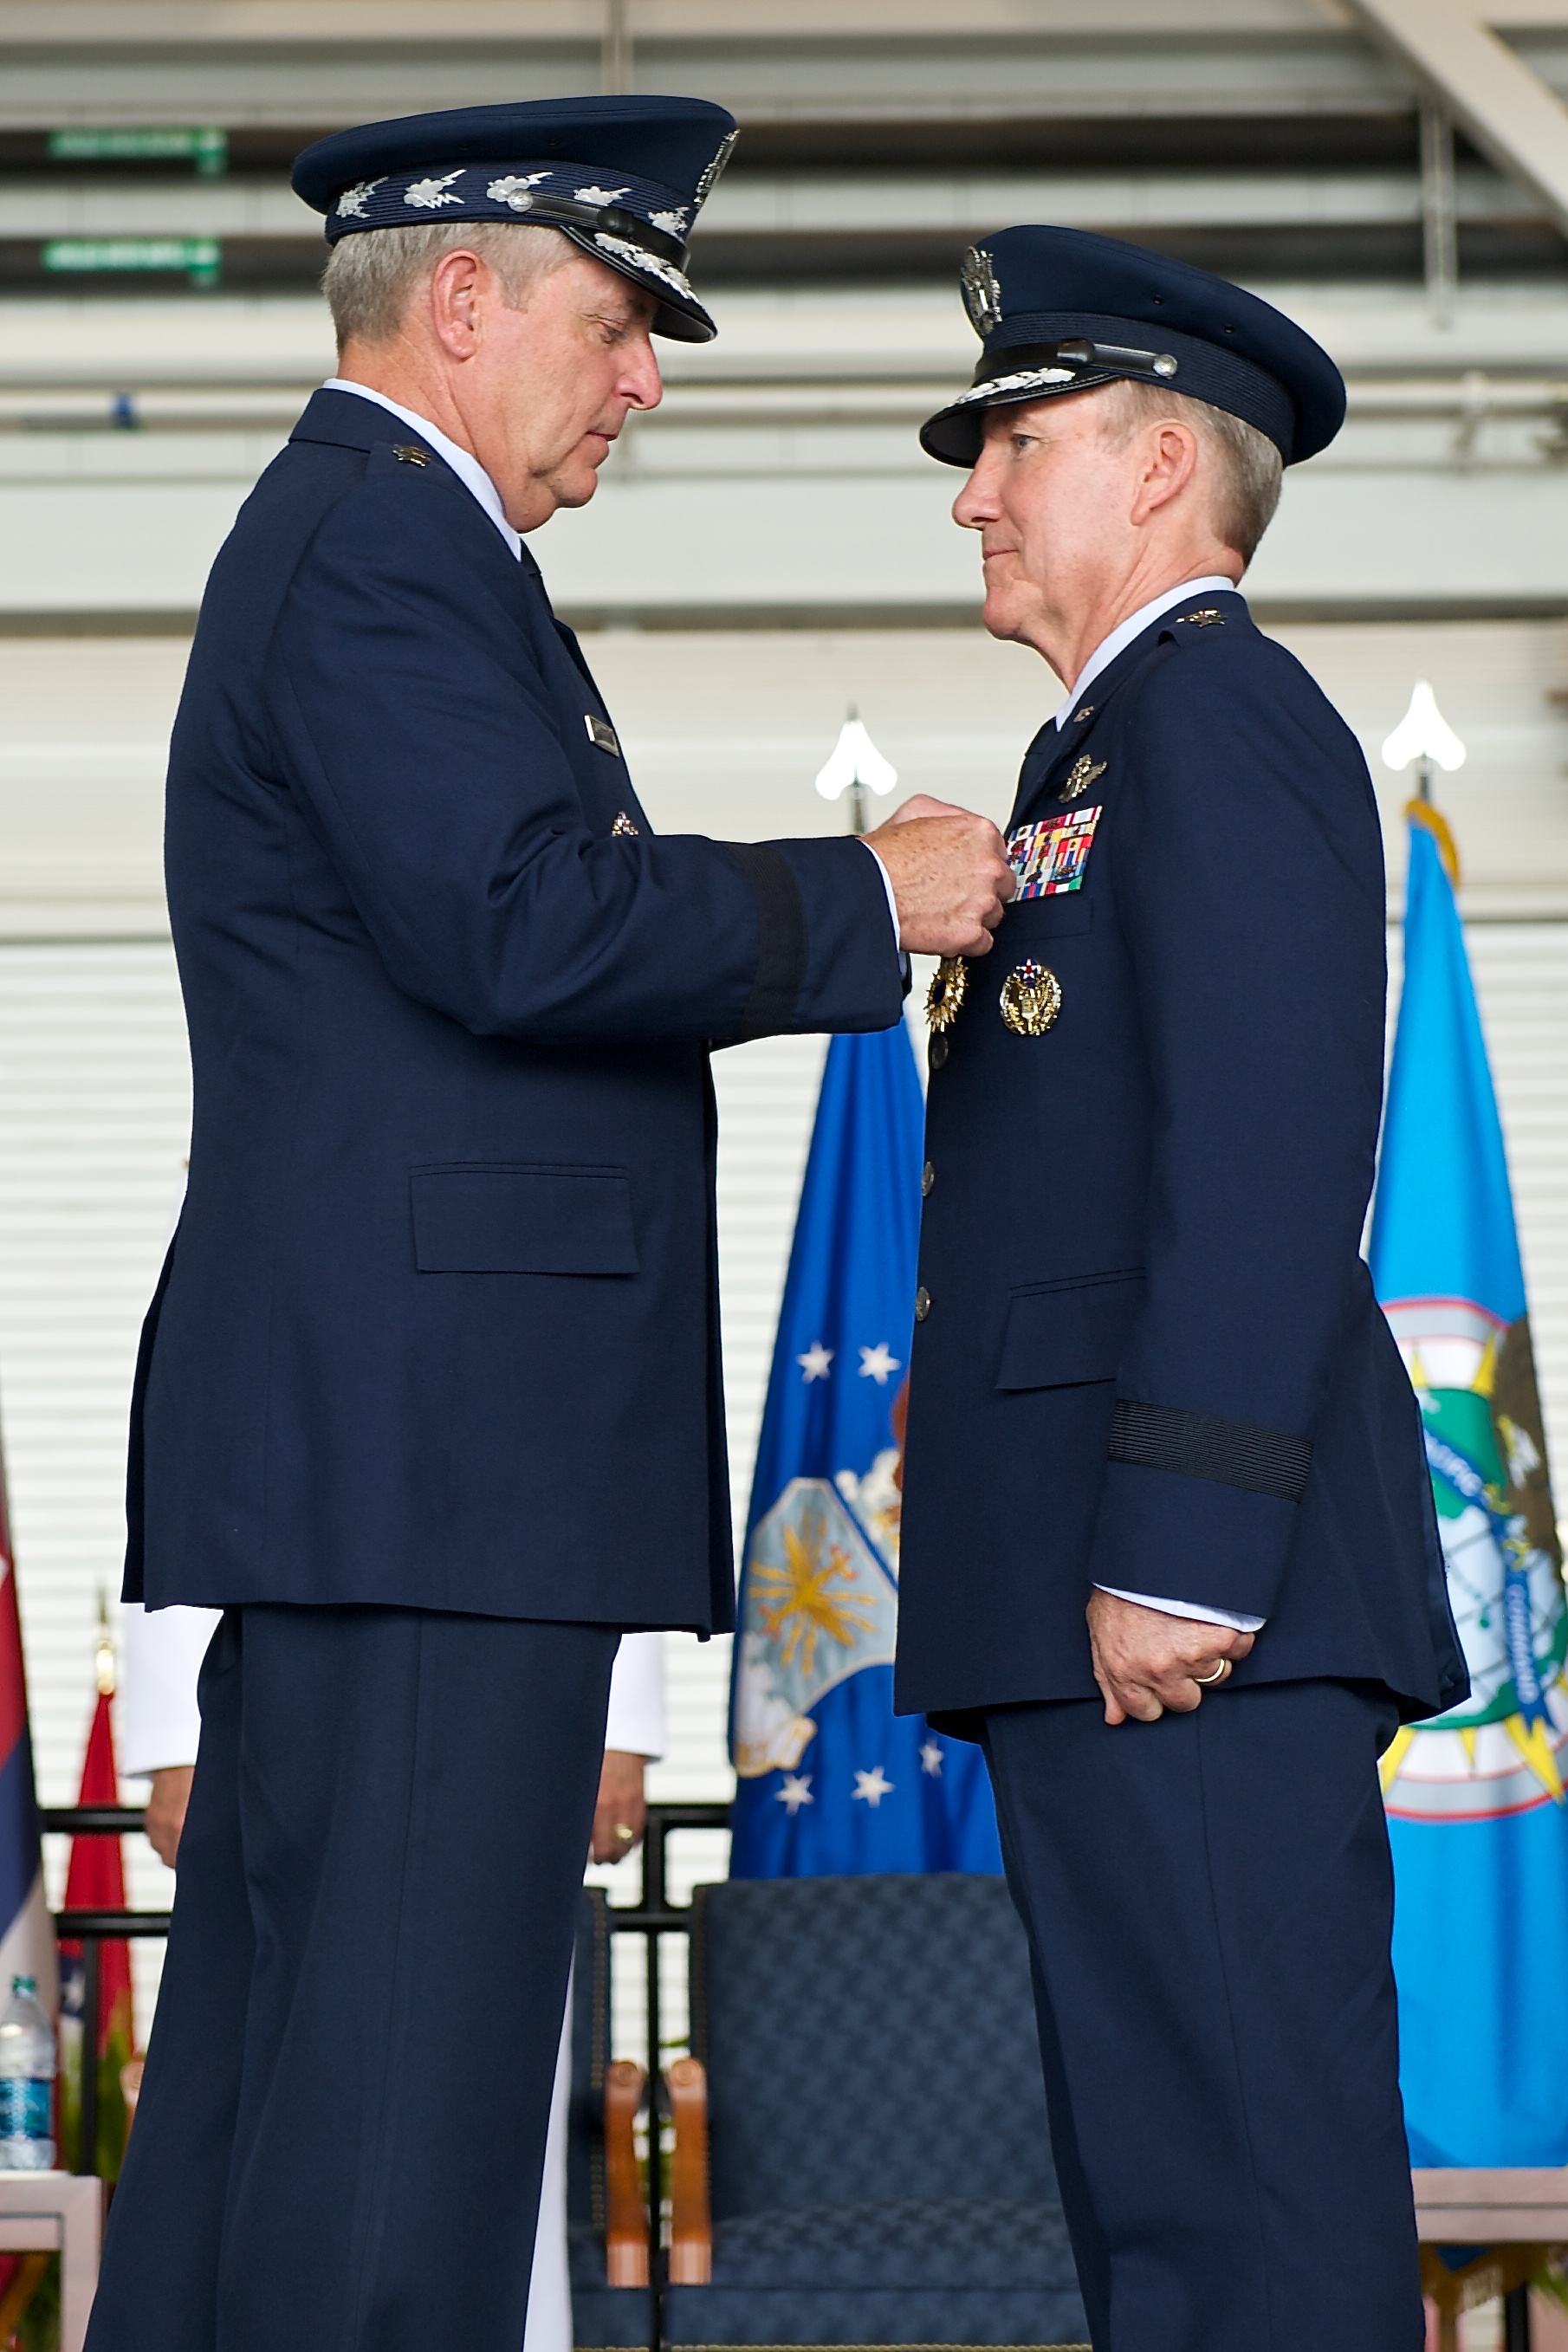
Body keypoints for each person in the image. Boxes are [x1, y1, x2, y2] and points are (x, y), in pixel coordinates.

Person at [88, 95, 1013, 2352]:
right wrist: (851, 903)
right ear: (467, 298)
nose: (646, 378)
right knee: (392, 2162)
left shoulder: (388, 547)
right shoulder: (384, 547)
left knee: (269, 2130)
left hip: (395, 1470)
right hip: (436, 1478)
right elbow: (515, 925)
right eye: (616, 323)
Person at [895, 224, 1468, 2352]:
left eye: (1008, 443)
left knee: (1245, 2187)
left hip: (1182, 1599)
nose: (968, 490)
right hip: (1103, 1587)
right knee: (1162, 2190)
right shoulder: (1095, 757)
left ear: (1152, 466)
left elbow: (1262, 1149)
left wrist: (1186, 1541)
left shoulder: (1215, 718)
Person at [120, 1604, 662, 2352]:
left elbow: (599, 1486)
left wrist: (619, 1719)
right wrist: (179, 1739)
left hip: (526, 1625)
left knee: (484, 2076)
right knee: (289, 2069)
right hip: (296, 1624)